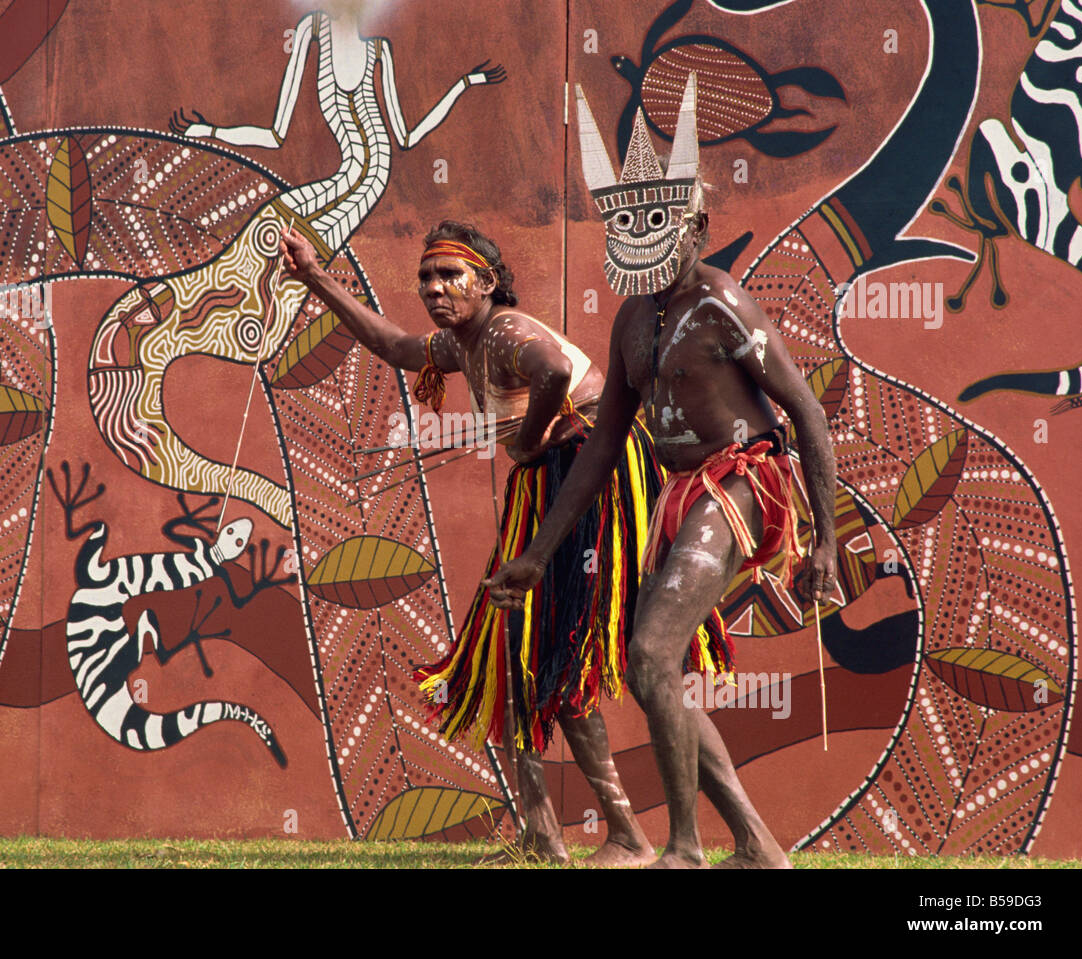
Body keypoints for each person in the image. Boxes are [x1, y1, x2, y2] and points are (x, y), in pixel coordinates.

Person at [281, 219, 730, 865]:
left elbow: (550, 369)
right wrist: (316, 277)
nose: (434, 288)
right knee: (518, 650)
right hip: (547, 481)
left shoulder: (505, 330)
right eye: (426, 278)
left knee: (557, 651)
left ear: (487, 283)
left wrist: (530, 438)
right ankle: (550, 836)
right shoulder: (463, 341)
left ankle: (628, 838)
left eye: (449, 276)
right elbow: (396, 345)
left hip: (590, 476)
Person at [486, 76, 839, 868]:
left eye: (658, 219)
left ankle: (681, 848)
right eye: (626, 218)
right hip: (683, 495)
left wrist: (825, 540)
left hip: (745, 481)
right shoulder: (631, 321)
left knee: (647, 657)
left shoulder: (723, 304)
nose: (640, 233)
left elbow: (807, 415)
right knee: (660, 673)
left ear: (699, 226)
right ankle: (755, 845)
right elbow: (604, 445)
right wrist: (538, 555)